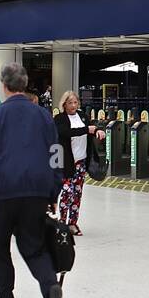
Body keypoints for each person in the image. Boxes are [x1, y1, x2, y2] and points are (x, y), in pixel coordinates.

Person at [0, 62, 65, 298]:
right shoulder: (43, 116)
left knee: (0, 246)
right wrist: (54, 189)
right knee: (33, 246)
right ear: (25, 85)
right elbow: (56, 154)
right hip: (36, 190)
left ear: (3, 86)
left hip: (2, 191)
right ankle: (50, 289)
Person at [53, 91, 105, 235]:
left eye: (75, 102)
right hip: (67, 162)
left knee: (77, 194)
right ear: (64, 104)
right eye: (70, 103)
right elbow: (65, 132)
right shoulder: (60, 118)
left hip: (81, 161)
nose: (73, 106)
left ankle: (73, 223)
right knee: (66, 193)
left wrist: (98, 131)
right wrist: (86, 130)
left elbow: (91, 127)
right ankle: (62, 222)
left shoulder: (82, 116)